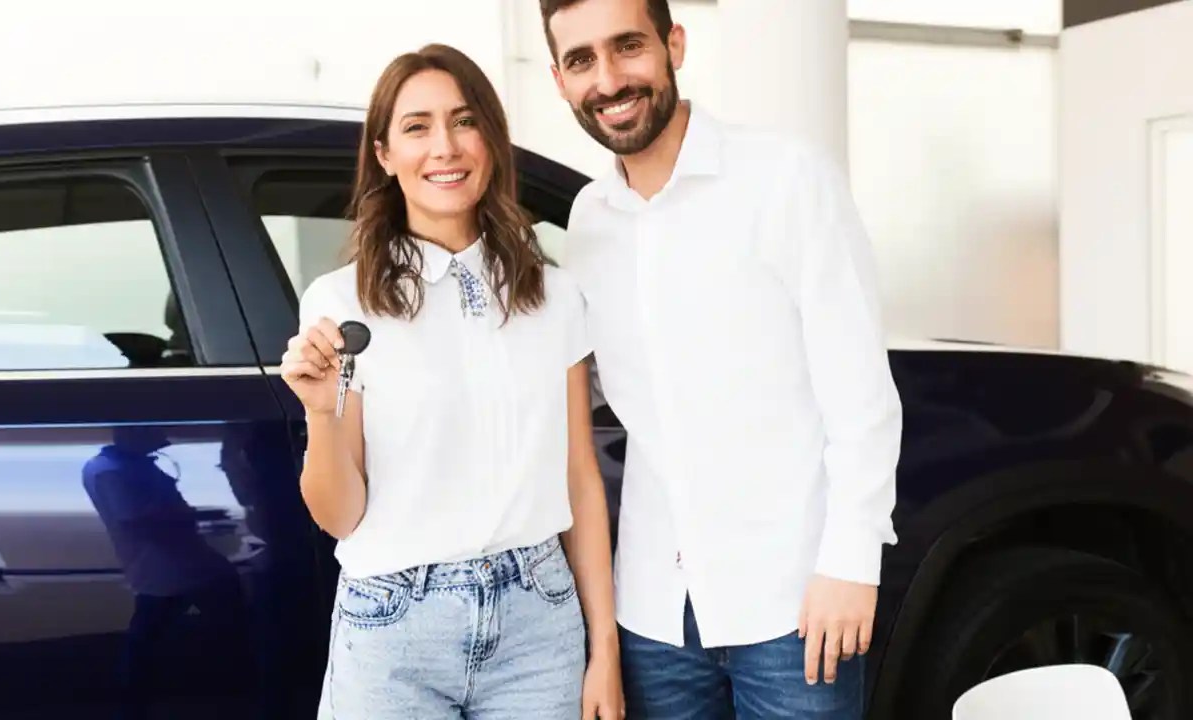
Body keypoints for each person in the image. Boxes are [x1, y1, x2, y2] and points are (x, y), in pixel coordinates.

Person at [540, 0, 903, 717]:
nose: (609, 78)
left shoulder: (787, 178)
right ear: (558, 80)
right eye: (581, 60)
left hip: (794, 603)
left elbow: (860, 392)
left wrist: (851, 562)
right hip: (653, 613)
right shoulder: (587, 221)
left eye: (628, 47)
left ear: (674, 43)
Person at [279, 43, 624, 720]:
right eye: (416, 127)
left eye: (464, 122)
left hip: (539, 625)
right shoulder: (337, 302)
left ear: (490, 140)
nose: (445, 147)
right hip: (392, 629)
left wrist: (603, 649)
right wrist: (322, 414)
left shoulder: (554, 297)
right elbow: (340, 514)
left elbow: (580, 478)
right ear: (383, 154)